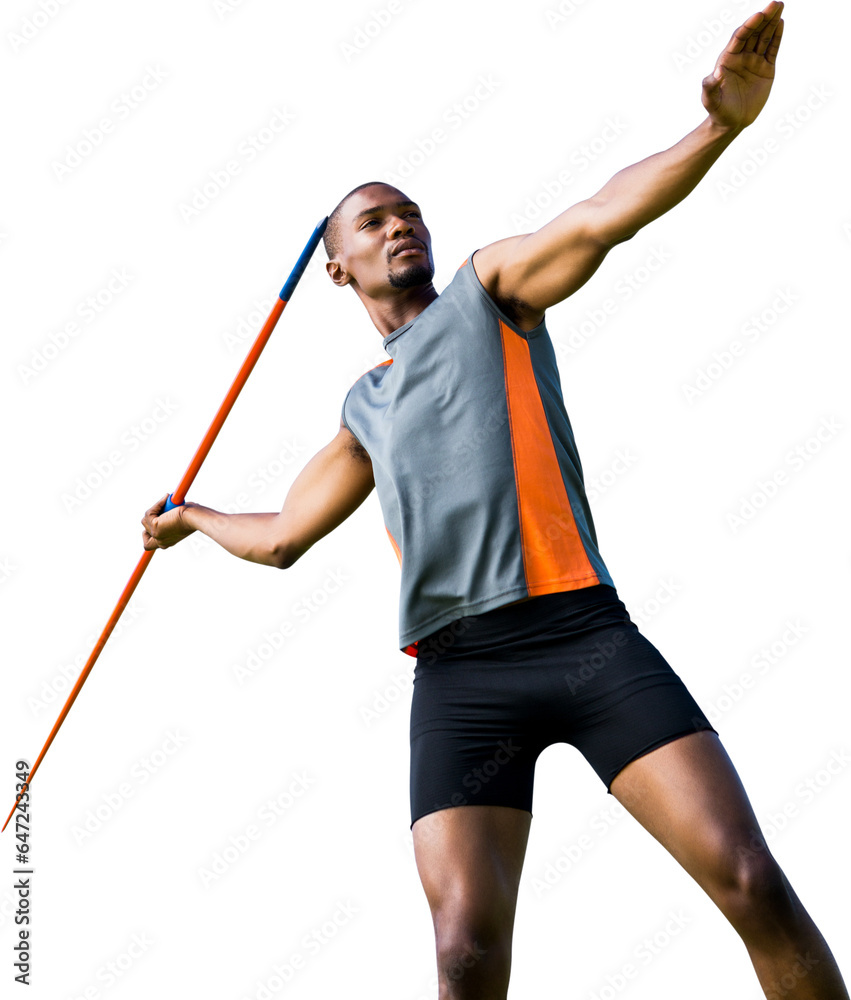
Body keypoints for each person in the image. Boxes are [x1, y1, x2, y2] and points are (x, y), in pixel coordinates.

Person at [142, 4, 849, 998]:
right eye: (372, 221)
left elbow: (602, 213)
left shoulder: (491, 290)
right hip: (460, 681)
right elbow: (283, 537)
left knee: (746, 876)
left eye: (406, 213)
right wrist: (191, 519)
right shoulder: (362, 409)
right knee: (463, 954)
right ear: (336, 265)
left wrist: (717, 127)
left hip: (583, 638)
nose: (399, 225)